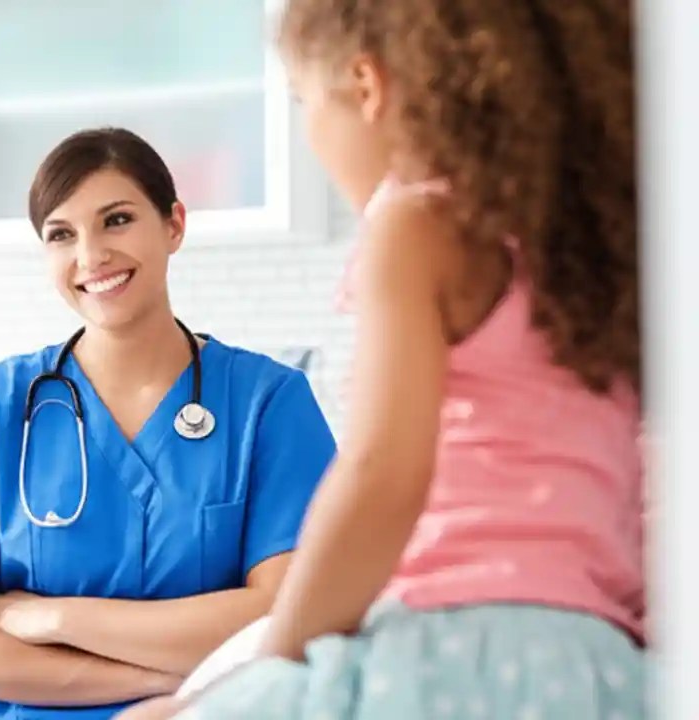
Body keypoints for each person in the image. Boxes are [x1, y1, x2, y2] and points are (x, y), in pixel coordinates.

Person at [122, 1, 644, 719]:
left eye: (307, 102)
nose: (310, 132)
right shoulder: (597, 263)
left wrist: (273, 664)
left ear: (365, 87)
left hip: (450, 648)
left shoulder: (416, 226)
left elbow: (380, 477)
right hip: (596, 663)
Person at [0, 126, 337, 720]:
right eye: (61, 234)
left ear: (174, 224)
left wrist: (53, 617)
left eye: (117, 220)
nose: (91, 256)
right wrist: (161, 678)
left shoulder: (268, 402)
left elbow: (288, 613)